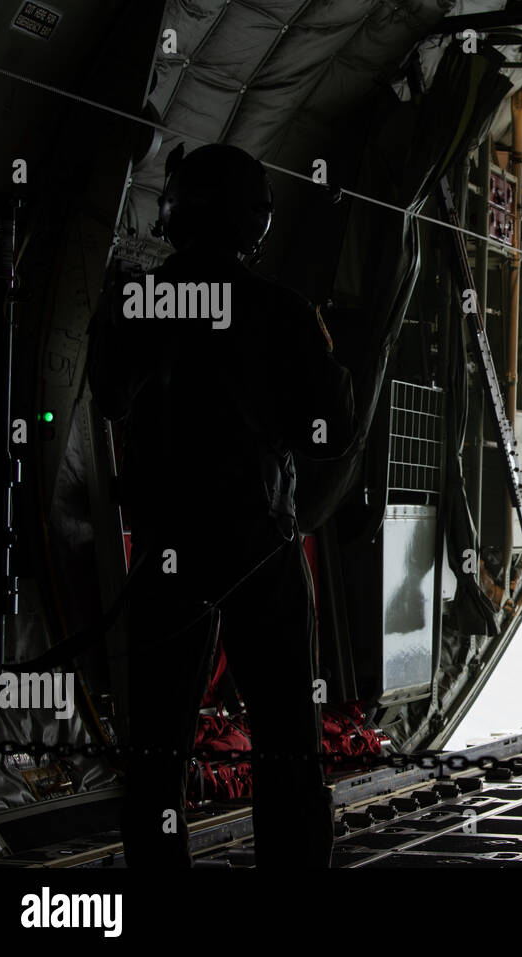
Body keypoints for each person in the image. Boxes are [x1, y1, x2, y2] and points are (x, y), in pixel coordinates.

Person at [89, 143, 355, 867]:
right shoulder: (284, 313)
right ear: (254, 222)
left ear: (174, 214)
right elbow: (330, 435)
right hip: (257, 550)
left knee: (157, 751)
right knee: (286, 742)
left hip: (166, 553)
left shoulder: (140, 302)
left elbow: (109, 396)